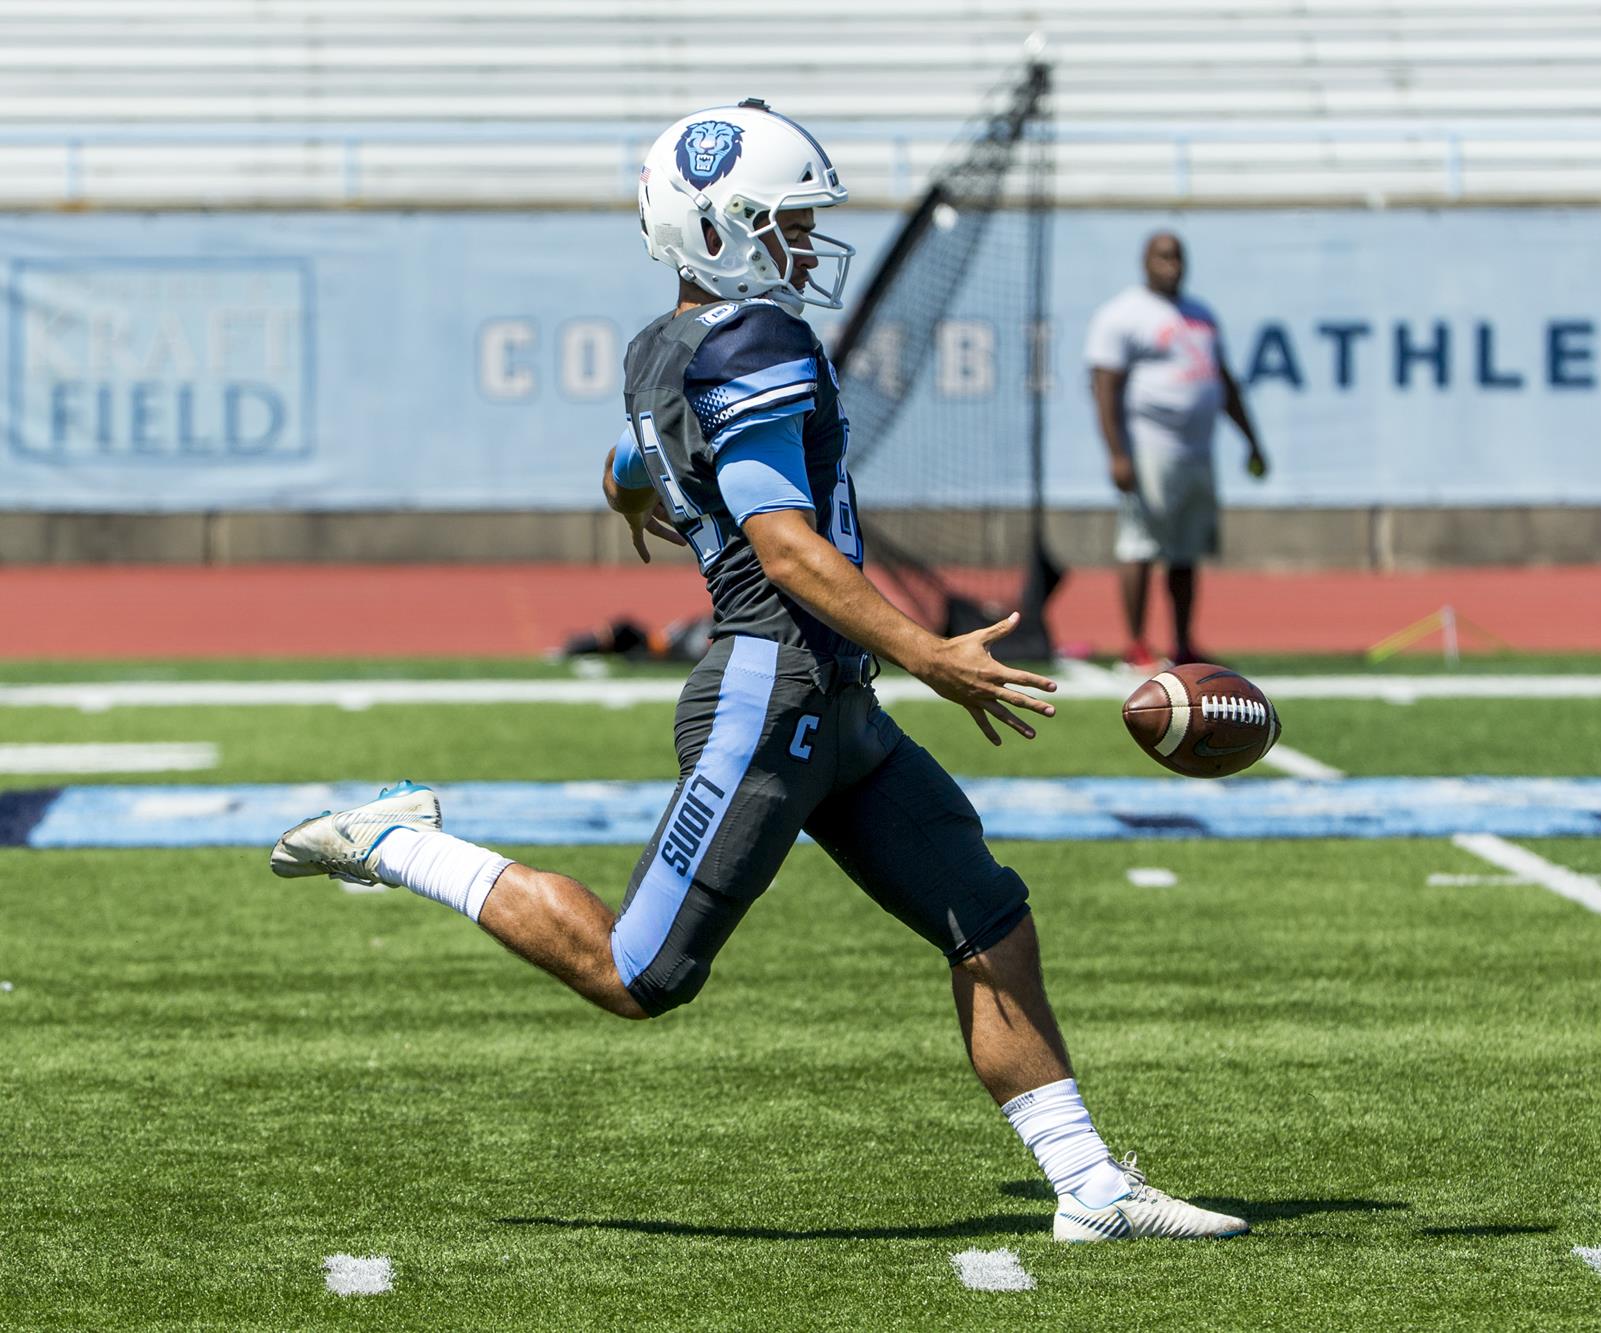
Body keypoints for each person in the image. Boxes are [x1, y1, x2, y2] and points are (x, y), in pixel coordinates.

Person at [268, 100, 1246, 1244]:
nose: (802, 244)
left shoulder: (666, 345)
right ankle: (400, 840)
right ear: (714, 229)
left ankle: (1086, 1187)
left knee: (988, 916)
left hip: (834, 702)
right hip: (770, 690)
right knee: (638, 973)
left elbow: (631, 457)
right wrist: (928, 651)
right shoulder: (755, 342)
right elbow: (783, 543)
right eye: (781, 222)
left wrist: (639, 500)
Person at [1086, 232, 1267, 671]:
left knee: (1186, 552)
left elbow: (1222, 382)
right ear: (1145, 260)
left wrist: (1251, 440)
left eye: (1178, 257)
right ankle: (1136, 645)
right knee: (1142, 547)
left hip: (1197, 451)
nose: (1173, 264)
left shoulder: (1200, 314)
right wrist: (1117, 454)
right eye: (1163, 256)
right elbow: (1104, 387)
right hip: (1150, 448)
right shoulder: (1123, 315)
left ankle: (1183, 643)